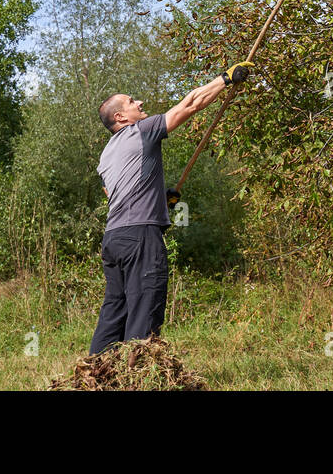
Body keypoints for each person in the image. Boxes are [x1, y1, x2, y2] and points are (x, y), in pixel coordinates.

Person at [88, 61, 253, 354]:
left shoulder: (106, 155)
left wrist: (160, 201)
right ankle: (136, 376)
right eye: (131, 101)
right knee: (145, 305)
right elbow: (189, 104)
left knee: (115, 310)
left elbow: (113, 195)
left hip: (113, 239)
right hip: (141, 238)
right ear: (120, 116)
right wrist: (225, 79)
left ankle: (94, 374)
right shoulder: (140, 130)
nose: (139, 102)